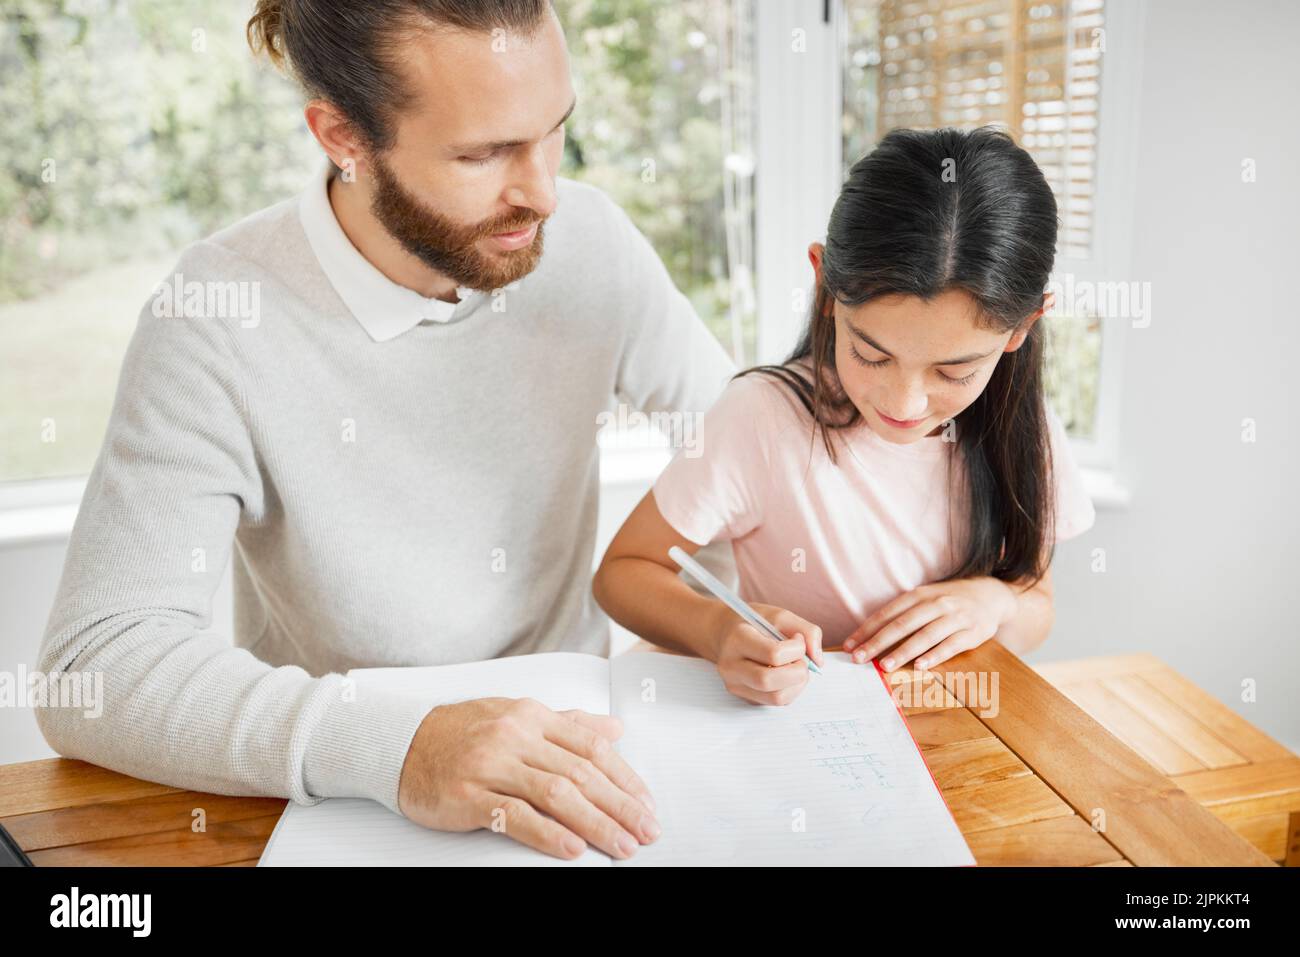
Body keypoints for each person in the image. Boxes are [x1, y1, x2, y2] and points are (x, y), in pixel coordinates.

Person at [37, 0, 737, 862]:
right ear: (344, 138)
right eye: (484, 153)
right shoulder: (218, 317)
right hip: (353, 810)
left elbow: (745, 456)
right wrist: (396, 746)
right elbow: (93, 667)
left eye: (555, 130)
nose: (544, 191)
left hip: (585, 774)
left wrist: (743, 624)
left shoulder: (589, 241)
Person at [593, 126, 1097, 707]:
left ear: (1024, 327)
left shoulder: (1019, 422)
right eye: (871, 354)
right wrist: (717, 630)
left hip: (956, 732)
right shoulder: (763, 417)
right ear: (824, 284)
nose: (903, 404)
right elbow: (623, 573)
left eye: (954, 372)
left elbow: (1038, 605)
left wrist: (997, 603)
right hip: (804, 734)